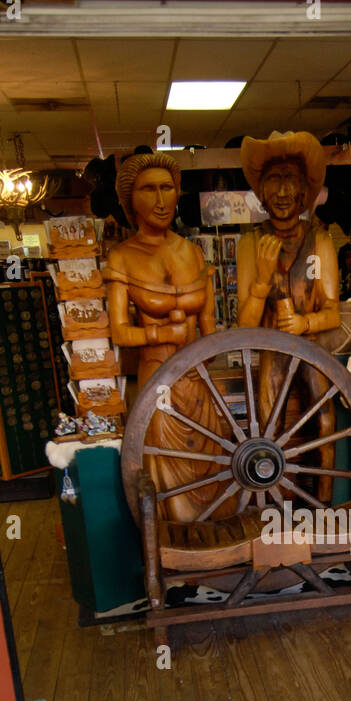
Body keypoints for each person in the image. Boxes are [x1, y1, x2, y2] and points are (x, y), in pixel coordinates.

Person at [104, 153, 227, 522]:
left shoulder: (192, 251)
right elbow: (120, 332)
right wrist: (161, 332)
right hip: (156, 381)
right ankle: (174, 550)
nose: (160, 201)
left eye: (167, 188)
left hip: (199, 380)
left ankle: (213, 546)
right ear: (131, 200)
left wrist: (203, 356)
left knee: (211, 465)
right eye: (148, 190)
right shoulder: (123, 257)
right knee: (165, 472)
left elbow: (212, 329)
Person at [237, 131, 341, 501]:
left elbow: (333, 313)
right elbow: (244, 326)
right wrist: (261, 282)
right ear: (261, 192)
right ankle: (274, 511)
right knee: (268, 432)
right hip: (271, 350)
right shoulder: (250, 243)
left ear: (303, 192)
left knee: (325, 426)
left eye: (290, 180)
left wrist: (304, 323)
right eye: (273, 180)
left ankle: (324, 508)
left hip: (311, 348)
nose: (282, 191)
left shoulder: (322, 241)